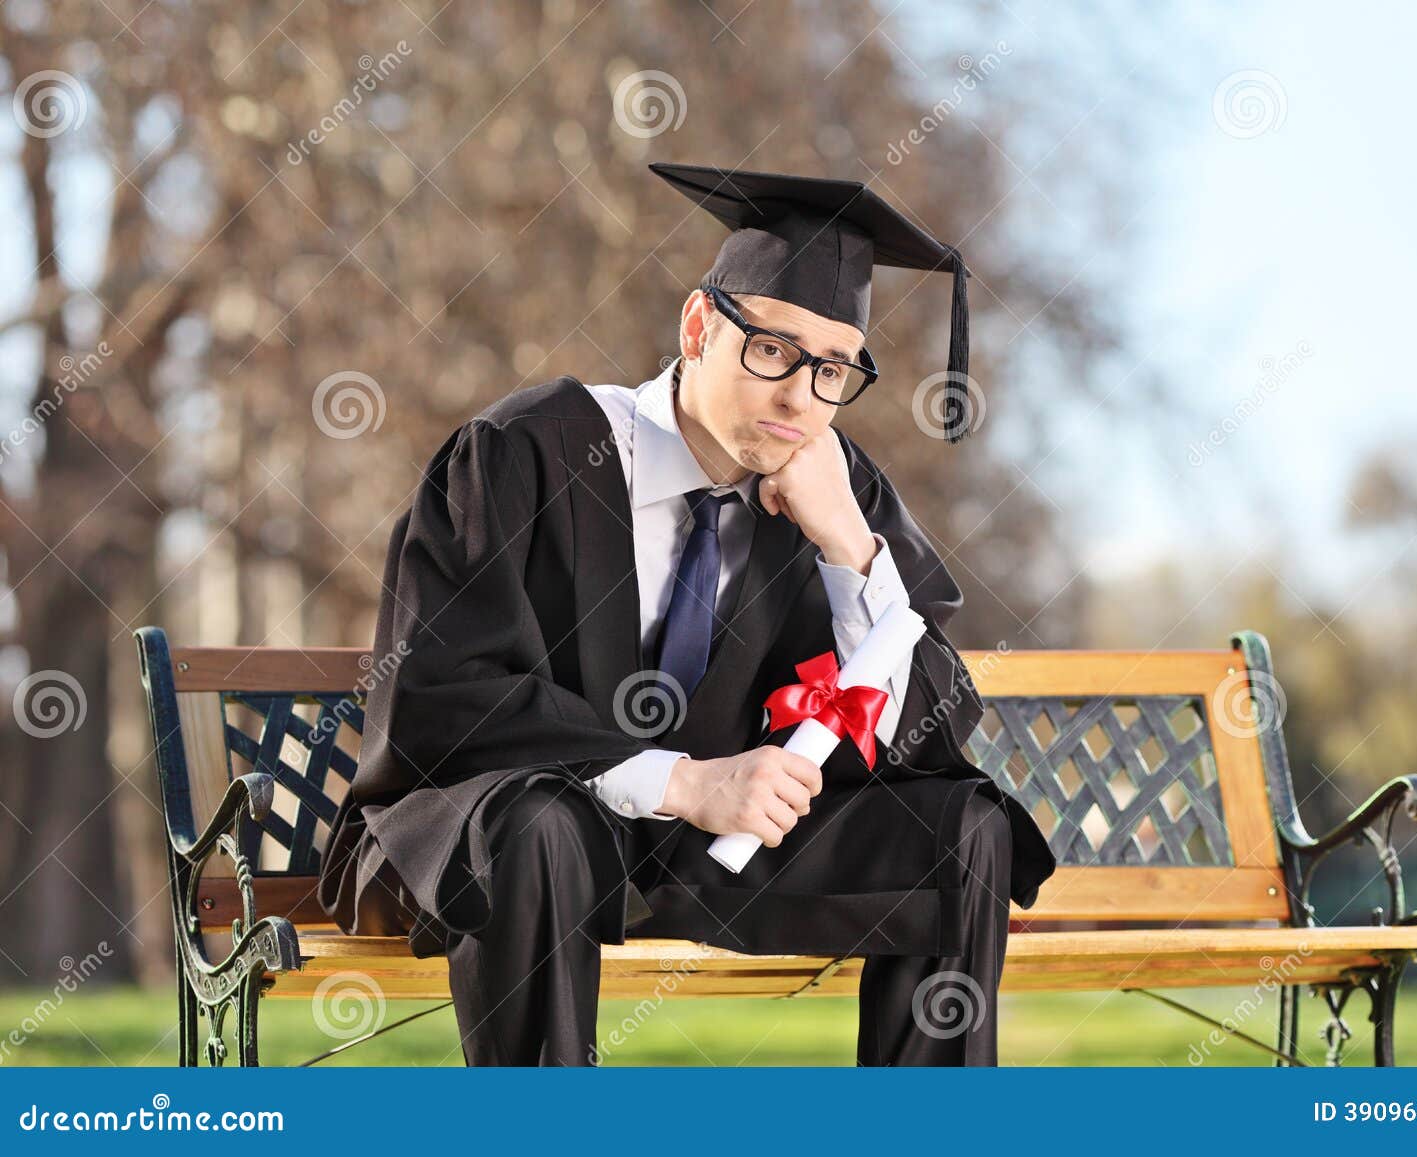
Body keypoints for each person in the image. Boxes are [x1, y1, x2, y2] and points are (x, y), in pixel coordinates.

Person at [317, 162, 1055, 1066]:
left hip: (712, 853)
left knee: (964, 829)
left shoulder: (833, 483)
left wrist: (850, 550)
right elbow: (437, 696)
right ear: (699, 325)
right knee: (540, 827)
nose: (799, 398)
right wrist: (682, 782)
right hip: (506, 836)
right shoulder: (528, 453)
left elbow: (930, 725)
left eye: (833, 370)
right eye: (774, 350)